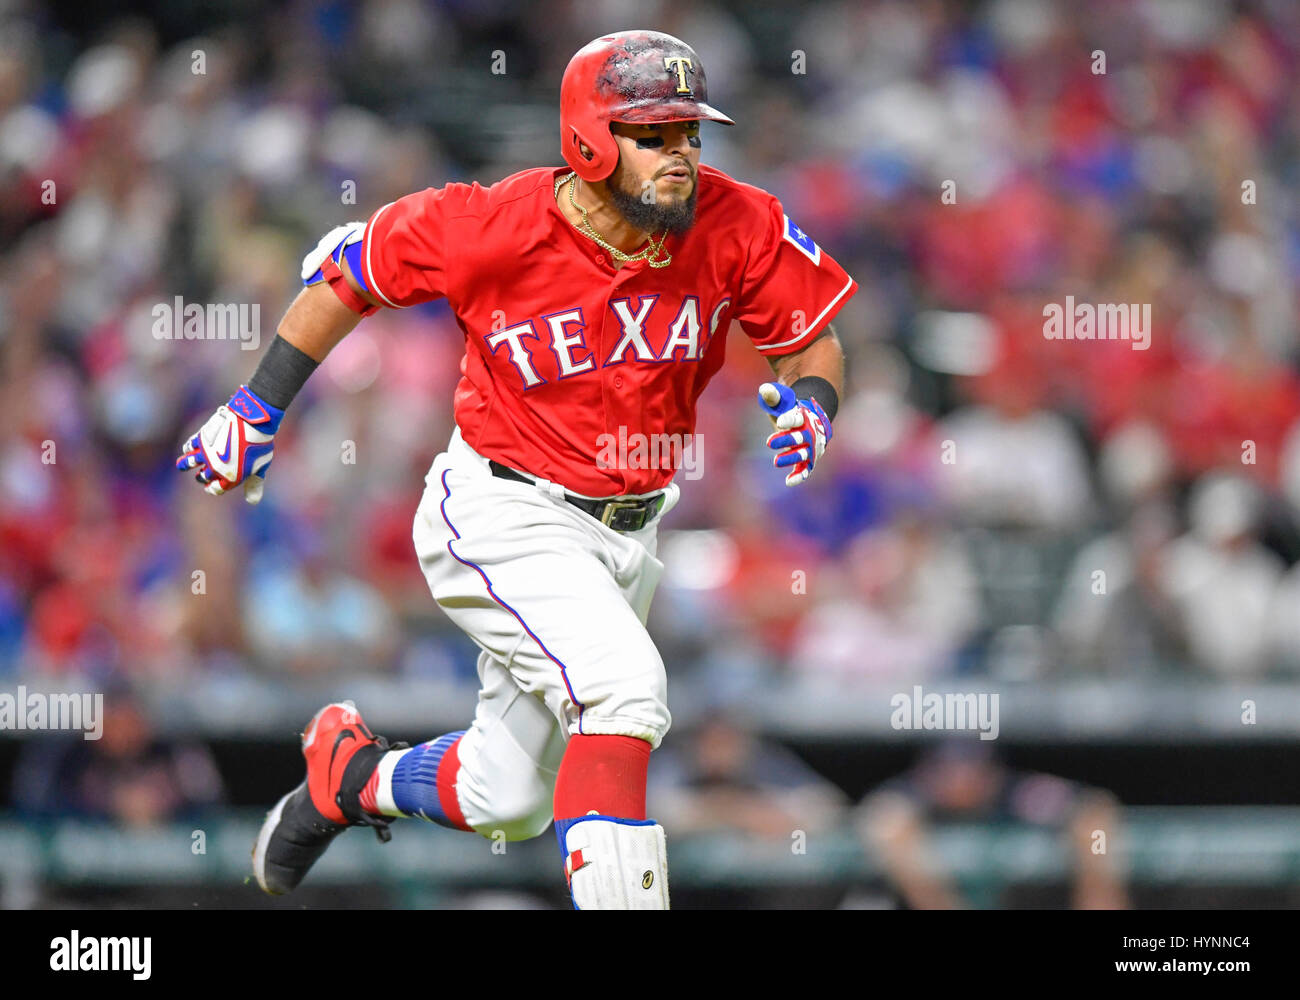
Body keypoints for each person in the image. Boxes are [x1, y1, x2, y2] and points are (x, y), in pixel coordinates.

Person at [176, 30, 857, 909]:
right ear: (589, 138)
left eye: (690, 133)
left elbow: (812, 344)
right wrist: (255, 407)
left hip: (629, 532)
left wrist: (816, 406)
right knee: (625, 689)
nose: (682, 154)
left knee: (509, 798)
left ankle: (350, 778)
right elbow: (346, 275)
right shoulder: (491, 225)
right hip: (502, 509)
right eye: (654, 135)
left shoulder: (738, 219)